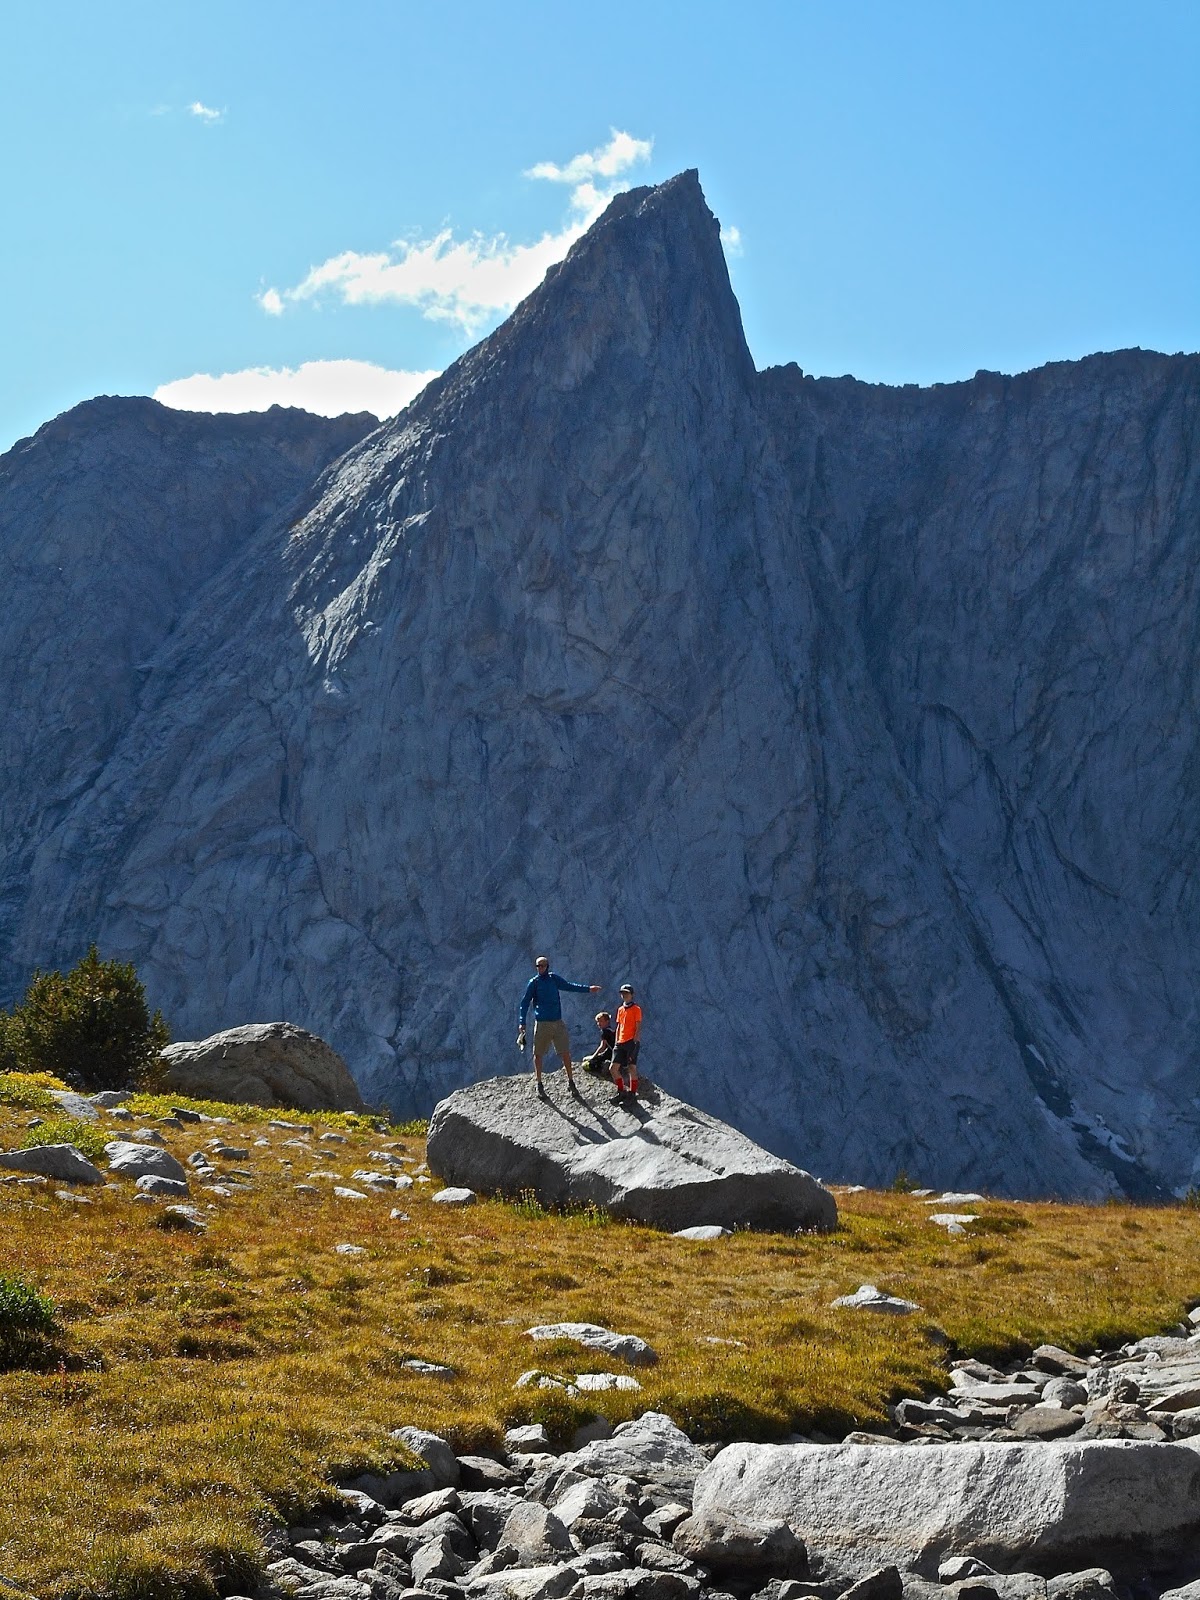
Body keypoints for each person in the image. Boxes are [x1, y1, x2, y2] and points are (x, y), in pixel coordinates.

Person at [517, 955, 601, 1095]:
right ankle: (539, 1083)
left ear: (547, 966)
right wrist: (522, 1022)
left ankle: (571, 1081)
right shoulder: (534, 983)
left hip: (557, 1021)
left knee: (565, 1052)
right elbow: (525, 1002)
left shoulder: (553, 979)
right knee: (538, 1053)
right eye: (538, 966)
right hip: (542, 1022)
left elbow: (569, 986)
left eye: (542, 965)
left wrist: (588, 989)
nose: (540, 968)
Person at [610, 983, 643, 1102]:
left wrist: (635, 1040)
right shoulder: (620, 1009)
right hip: (620, 1042)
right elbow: (619, 1026)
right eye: (622, 993)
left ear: (632, 995)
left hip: (631, 1042)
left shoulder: (636, 1009)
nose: (624, 995)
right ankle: (622, 1091)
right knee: (613, 1068)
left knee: (631, 1067)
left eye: (626, 993)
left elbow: (638, 1026)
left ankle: (632, 1093)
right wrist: (616, 1041)